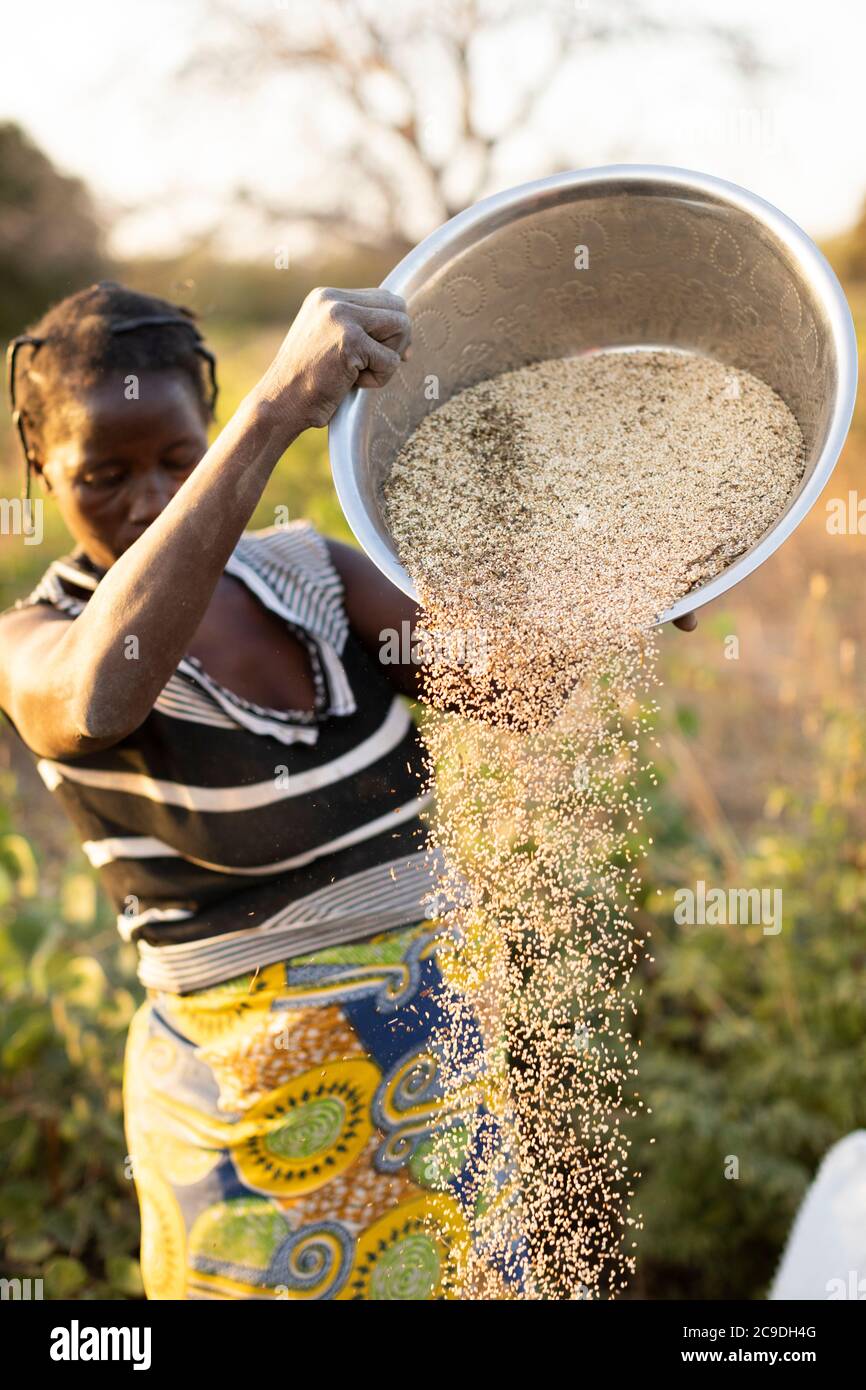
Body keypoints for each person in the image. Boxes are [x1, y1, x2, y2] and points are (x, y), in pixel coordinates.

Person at [1, 280, 695, 1300]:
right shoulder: (40, 640)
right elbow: (96, 700)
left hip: (441, 1099)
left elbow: (509, 684)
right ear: (37, 469)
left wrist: (621, 580)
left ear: (206, 436)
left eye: (177, 461)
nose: (147, 501)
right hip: (252, 1142)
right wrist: (275, 411)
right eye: (103, 474)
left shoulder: (309, 577)